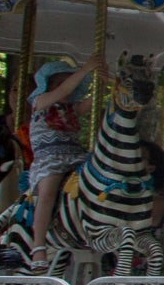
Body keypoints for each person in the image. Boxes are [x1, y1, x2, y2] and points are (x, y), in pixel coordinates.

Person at [26, 54, 106, 264]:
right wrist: (86, 68)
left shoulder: (71, 108)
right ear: (48, 85)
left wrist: (107, 85)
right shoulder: (40, 102)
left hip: (76, 157)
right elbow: (64, 91)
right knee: (48, 190)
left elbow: (94, 101)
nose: (65, 87)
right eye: (59, 82)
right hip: (50, 158)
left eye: (66, 81)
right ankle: (38, 245)